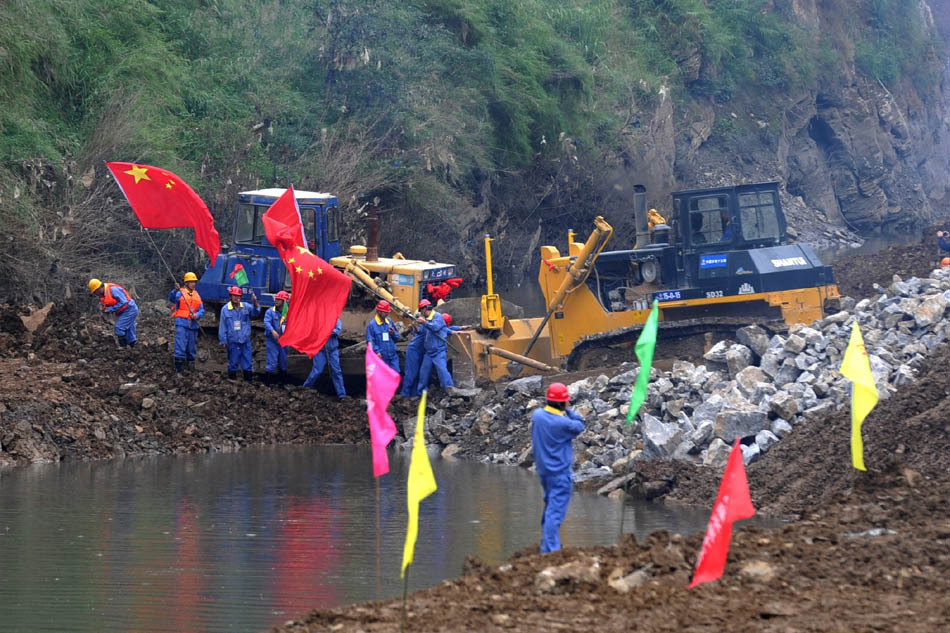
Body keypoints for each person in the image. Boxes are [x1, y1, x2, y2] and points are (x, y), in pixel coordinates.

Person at [531, 382, 585, 553]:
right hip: (560, 474)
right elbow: (580, 425)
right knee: (555, 514)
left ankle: (546, 546)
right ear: (564, 402)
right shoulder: (563, 424)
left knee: (549, 509)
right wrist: (568, 410)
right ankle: (551, 552)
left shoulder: (537, 416)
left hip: (544, 473)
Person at [218, 286, 260, 381]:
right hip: (233, 341)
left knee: (247, 362)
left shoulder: (246, 307)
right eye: (234, 296)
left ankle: (248, 383)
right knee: (233, 362)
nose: (236, 298)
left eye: (238, 296)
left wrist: (255, 303)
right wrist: (223, 340)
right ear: (230, 296)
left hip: (245, 341)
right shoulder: (225, 309)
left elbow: (256, 313)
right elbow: (222, 326)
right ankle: (232, 381)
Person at [167, 272, 204, 374]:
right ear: (186, 283)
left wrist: (197, 315)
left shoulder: (197, 295)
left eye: (194, 282)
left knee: (191, 347)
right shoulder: (180, 292)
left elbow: (201, 310)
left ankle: (191, 367)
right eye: (191, 282)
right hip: (182, 323)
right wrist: (175, 290)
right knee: (180, 345)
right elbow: (171, 298)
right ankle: (179, 369)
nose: (193, 284)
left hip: (193, 324)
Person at [414, 301, 454, 394]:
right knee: (423, 373)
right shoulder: (427, 319)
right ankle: (421, 393)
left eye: (421, 310)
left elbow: (435, 327)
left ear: (425, 309)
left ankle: (450, 390)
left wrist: (425, 323)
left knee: (442, 371)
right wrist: (416, 327)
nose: (421, 313)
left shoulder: (437, 316)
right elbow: (422, 332)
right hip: (429, 352)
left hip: (438, 351)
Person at [89, 278, 139, 347]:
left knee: (119, 328)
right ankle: (134, 347)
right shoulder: (103, 295)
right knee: (129, 332)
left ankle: (123, 348)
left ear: (99, 288)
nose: (95, 294)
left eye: (95, 292)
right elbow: (108, 304)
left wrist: (110, 309)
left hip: (129, 309)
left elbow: (124, 302)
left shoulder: (113, 289)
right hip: (122, 311)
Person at [303, 318, 346, 399]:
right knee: (317, 370)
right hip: (320, 350)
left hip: (333, 350)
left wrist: (329, 331)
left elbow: (338, 330)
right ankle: (305, 387)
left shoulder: (335, 318)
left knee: (336, 371)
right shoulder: (317, 319)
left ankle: (341, 395)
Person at [399, 299, 431, 397]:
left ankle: (414, 395)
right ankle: (404, 395)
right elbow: (420, 332)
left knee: (418, 374)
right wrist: (415, 326)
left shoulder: (430, 320)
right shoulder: (421, 320)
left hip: (422, 351)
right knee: (411, 374)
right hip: (414, 350)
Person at [263, 290, 291, 385]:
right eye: (276, 299)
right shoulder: (270, 312)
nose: (276, 301)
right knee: (272, 362)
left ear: (284, 302)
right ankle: (267, 384)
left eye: (279, 299)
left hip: (284, 342)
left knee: (283, 362)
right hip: (272, 341)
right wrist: (273, 331)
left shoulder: (288, 313)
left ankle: (283, 383)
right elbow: (266, 322)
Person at [365, 300, 400, 372]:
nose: (387, 314)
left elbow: (396, 337)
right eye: (386, 312)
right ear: (379, 311)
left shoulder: (389, 321)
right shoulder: (372, 325)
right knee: (384, 378)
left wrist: (393, 333)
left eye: (388, 312)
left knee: (395, 375)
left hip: (392, 356)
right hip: (381, 357)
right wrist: (377, 351)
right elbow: (370, 342)